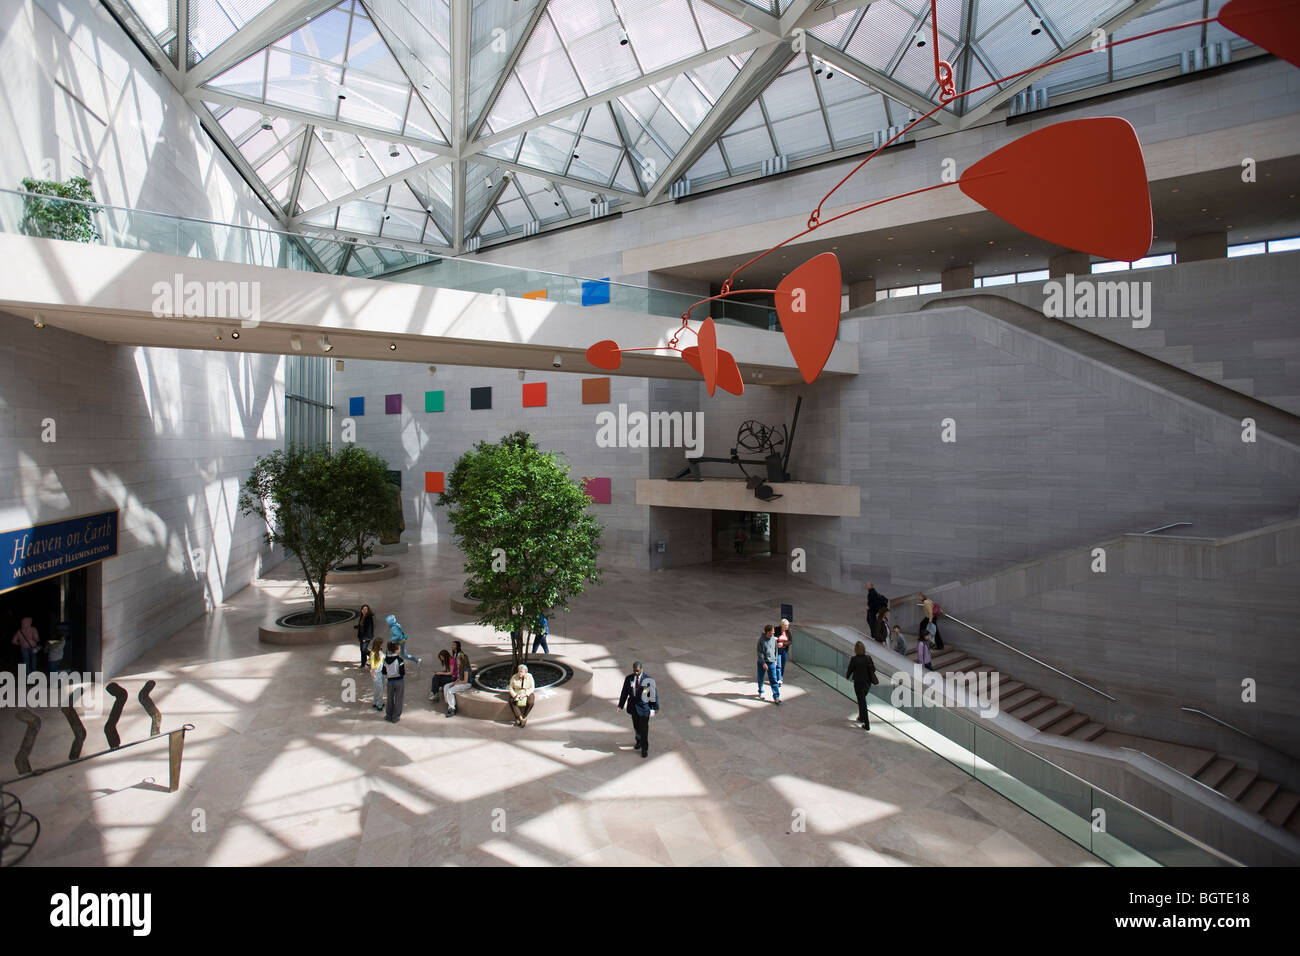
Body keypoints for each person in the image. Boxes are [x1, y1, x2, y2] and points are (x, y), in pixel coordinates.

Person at [617, 661, 659, 757]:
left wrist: (655, 707)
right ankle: (638, 741)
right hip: (633, 707)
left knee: (644, 729)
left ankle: (644, 748)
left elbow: (653, 694)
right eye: (635, 671)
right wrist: (621, 705)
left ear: (641, 669)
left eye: (638, 671)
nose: (636, 673)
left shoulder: (649, 680)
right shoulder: (629, 679)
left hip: (644, 708)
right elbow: (624, 692)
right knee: (636, 727)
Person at [845, 641, 879, 729]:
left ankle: (867, 724)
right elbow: (873, 669)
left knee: (862, 703)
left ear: (856, 650)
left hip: (858, 684)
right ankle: (861, 718)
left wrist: (847, 676)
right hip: (867, 684)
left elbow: (850, 670)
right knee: (861, 701)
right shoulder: (868, 658)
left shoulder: (854, 659)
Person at [756, 625, 781, 705]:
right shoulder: (761, 640)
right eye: (772, 631)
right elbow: (760, 653)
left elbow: (776, 650)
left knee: (773, 679)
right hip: (763, 663)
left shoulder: (773, 639)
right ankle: (761, 691)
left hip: (772, 662)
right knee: (761, 677)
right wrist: (763, 663)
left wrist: (776, 660)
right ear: (768, 632)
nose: (773, 632)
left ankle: (776, 696)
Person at [444, 651, 472, 717]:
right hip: (461, 682)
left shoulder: (466, 669)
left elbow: (465, 681)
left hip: (467, 684)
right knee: (446, 686)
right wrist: (454, 682)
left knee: (450, 691)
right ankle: (448, 703)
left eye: (458, 660)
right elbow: (459, 678)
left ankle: (452, 709)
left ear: (462, 661)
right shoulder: (460, 667)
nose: (457, 661)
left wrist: (456, 684)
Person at [383, 641, 406, 722]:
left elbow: (384, 672)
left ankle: (388, 715)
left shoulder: (385, 660)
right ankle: (395, 717)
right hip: (399, 681)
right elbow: (402, 673)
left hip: (389, 682)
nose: (400, 649)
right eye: (399, 648)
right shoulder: (399, 660)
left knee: (389, 698)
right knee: (398, 698)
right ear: (396, 650)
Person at [368, 635, 387, 711]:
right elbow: (372, 664)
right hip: (376, 672)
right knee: (380, 689)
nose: (382, 644)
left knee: (377, 688)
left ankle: (375, 702)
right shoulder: (373, 653)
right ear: (378, 644)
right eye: (381, 643)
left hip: (380, 671)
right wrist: (373, 673)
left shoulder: (380, 651)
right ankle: (379, 704)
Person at [774, 618, 792, 685]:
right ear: (782, 625)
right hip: (778, 650)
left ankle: (781, 676)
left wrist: (783, 644)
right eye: (786, 625)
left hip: (784, 650)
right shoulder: (776, 629)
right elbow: (773, 637)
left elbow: (790, 641)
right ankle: (778, 679)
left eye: (787, 625)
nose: (787, 627)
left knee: (783, 664)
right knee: (778, 664)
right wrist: (777, 640)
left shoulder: (788, 631)